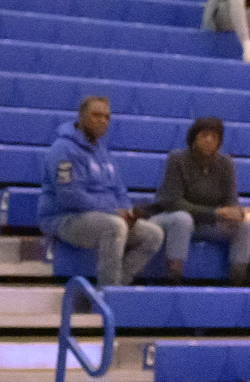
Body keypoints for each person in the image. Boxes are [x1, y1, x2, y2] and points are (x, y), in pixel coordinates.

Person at [39, 97, 161, 287]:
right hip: (65, 218)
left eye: (106, 117)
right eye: (96, 115)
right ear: (82, 116)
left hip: (104, 217)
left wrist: (128, 212)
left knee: (153, 234)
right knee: (115, 226)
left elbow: (119, 190)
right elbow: (69, 196)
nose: (103, 120)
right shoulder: (63, 151)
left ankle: (115, 287)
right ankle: (108, 293)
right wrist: (113, 212)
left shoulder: (103, 152)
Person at [143, 118, 250, 284]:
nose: (209, 140)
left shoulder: (226, 164)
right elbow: (173, 202)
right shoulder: (177, 159)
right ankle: (173, 279)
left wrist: (235, 212)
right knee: (183, 219)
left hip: (206, 223)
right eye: (204, 135)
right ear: (194, 137)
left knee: (245, 225)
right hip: (169, 218)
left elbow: (231, 200)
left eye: (214, 137)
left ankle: (237, 281)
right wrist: (215, 213)